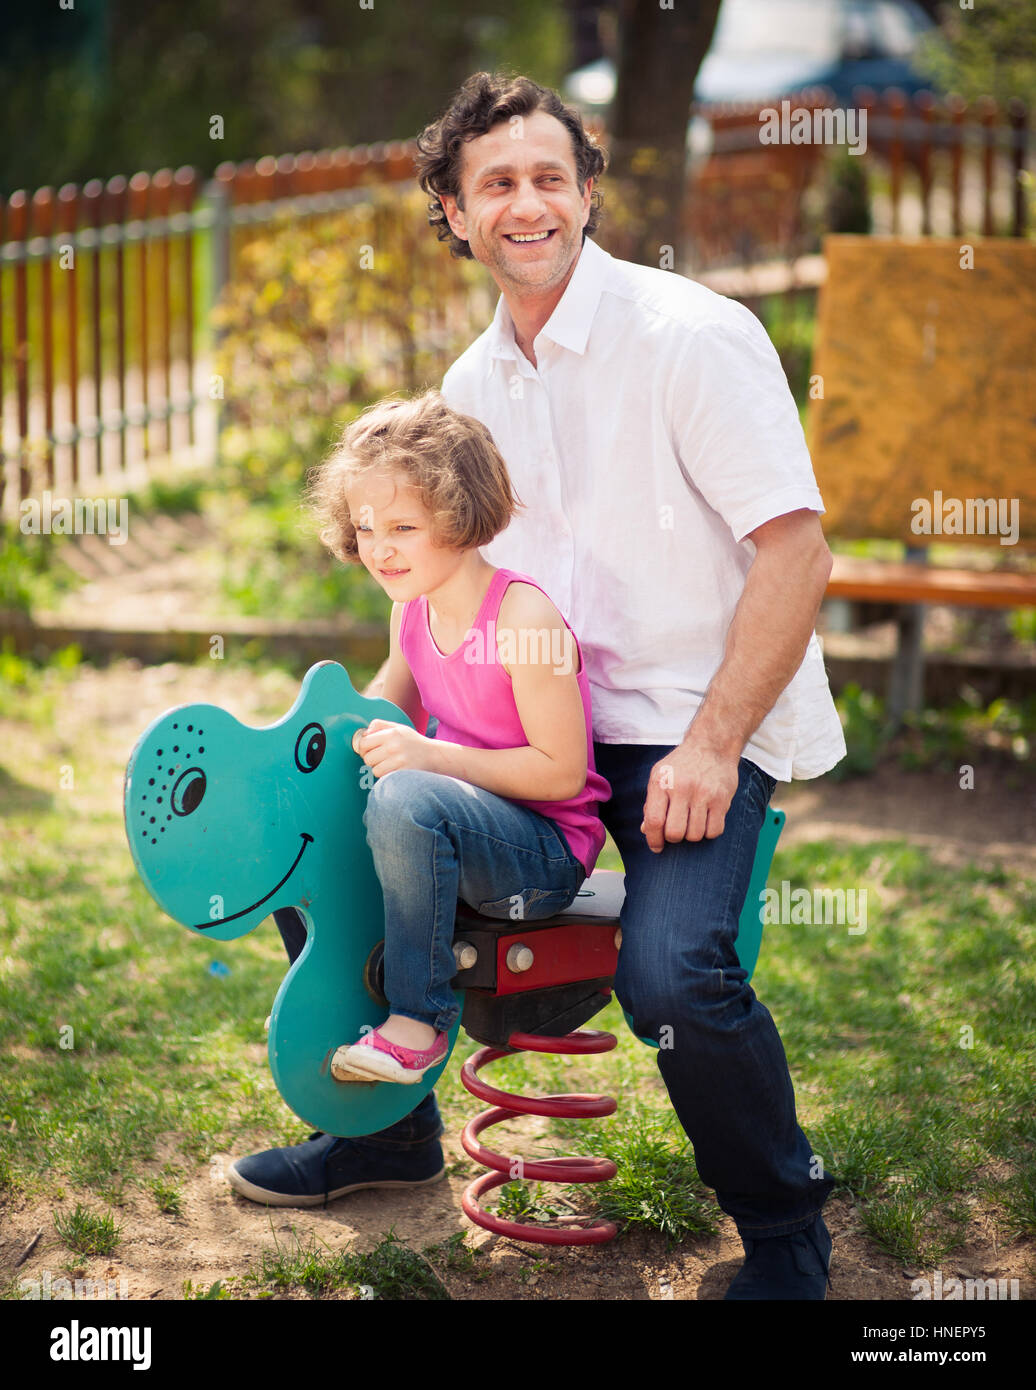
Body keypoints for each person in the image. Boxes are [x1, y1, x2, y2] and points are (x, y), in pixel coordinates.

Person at [229, 72, 847, 1301]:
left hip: (689, 725)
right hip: (527, 735)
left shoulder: (694, 337)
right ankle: (387, 1128)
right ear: (452, 213)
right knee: (323, 840)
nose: (527, 203)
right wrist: (359, 728)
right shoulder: (467, 390)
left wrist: (717, 743)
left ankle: (783, 1234)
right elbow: (438, 589)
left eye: (549, 177)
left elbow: (798, 551)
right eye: (495, 183)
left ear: (588, 192)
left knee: (673, 974)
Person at [300, 390, 611, 1084]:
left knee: (406, 797)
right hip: (458, 827)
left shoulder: (522, 617)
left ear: (461, 518)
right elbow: (381, 710)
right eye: (366, 527)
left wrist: (430, 759)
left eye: (403, 529)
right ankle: (321, 994)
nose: (379, 549)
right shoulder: (410, 613)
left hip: (540, 852)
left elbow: (562, 773)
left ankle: (420, 1022)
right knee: (313, 816)